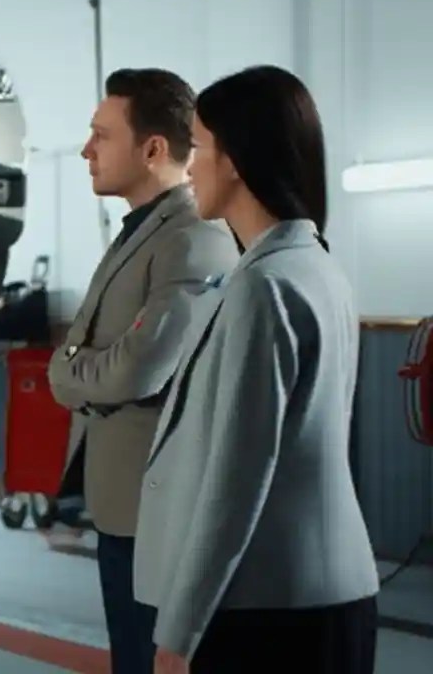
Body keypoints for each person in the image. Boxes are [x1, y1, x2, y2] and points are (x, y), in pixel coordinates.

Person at [134, 65, 381, 674]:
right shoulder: (316, 267)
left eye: (201, 147)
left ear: (237, 160)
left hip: (266, 605)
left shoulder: (263, 287)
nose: (189, 167)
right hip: (331, 590)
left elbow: (239, 478)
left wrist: (179, 632)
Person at [47, 68, 240, 674]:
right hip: (122, 505)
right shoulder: (143, 231)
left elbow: (137, 371)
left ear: (153, 148)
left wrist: (71, 375)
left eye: (101, 135)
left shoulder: (193, 237)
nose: (86, 150)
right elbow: (93, 351)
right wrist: (80, 368)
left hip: (155, 510)